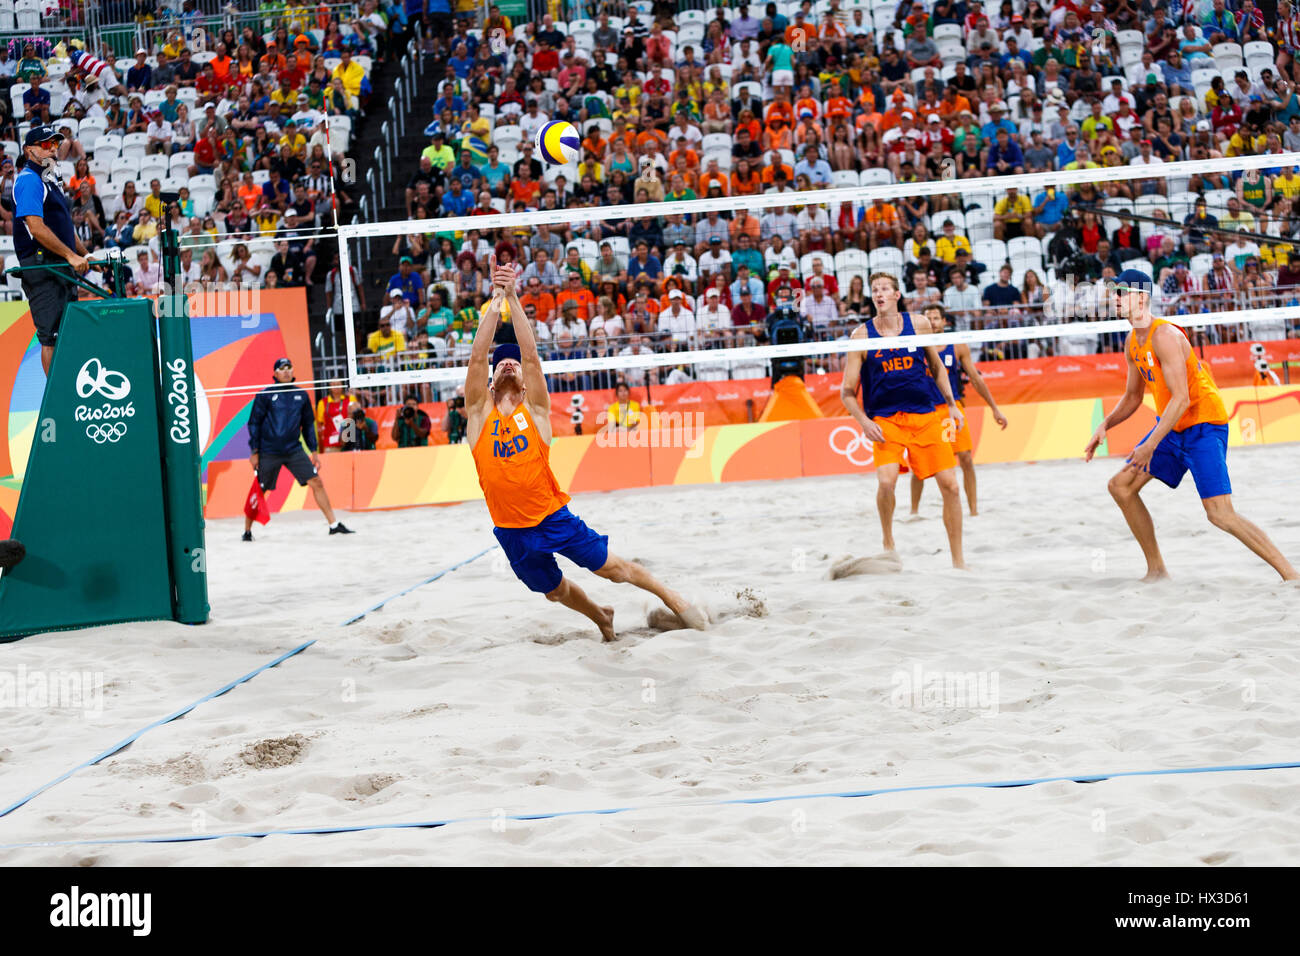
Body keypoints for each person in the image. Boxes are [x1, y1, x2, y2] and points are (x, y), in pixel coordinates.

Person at [466, 256, 707, 642]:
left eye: (513, 364)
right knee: (554, 591)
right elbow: (478, 356)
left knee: (615, 570)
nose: (508, 365)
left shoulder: (538, 413)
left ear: (526, 385)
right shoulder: (478, 416)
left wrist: (512, 296)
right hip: (511, 531)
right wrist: (496, 301)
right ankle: (601, 617)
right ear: (490, 382)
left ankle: (674, 599)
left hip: (551, 517)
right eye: (501, 364)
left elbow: (531, 356)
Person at [1085, 271, 1297, 581]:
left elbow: (1182, 399)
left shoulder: (1165, 336)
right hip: (1173, 427)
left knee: (1219, 514)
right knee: (1121, 487)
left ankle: (1291, 575)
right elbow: (1132, 396)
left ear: (1141, 297)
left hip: (1203, 425)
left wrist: (1150, 443)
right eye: (1113, 292)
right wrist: (1105, 424)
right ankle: (1156, 570)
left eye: (1121, 291)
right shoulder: (1132, 340)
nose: (1114, 297)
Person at [839, 273, 966, 568]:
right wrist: (863, 421)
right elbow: (846, 392)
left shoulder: (919, 324)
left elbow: (937, 367)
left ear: (897, 295)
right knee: (886, 482)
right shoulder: (861, 336)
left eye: (885, 289)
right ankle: (888, 542)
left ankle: (958, 561)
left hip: (924, 415)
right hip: (886, 420)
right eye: (875, 290)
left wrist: (951, 405)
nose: (879, 294)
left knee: (951, 486)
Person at [909, 305, 1009, 517]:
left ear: (944, 322)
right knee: (920, 463)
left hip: (950, 409)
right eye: (928, 318)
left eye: (936, 318)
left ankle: (973, 510)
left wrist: (994, 409)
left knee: (965, 458)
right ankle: (913, 511)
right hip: (923, 411)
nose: (932, 321)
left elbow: (976, 378)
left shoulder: (957, 346)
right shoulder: (913, 346)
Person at [244, 358, 354, 541]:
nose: (286, 371)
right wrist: (254, 451)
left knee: (316, 482)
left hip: (293, 450)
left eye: (289, 368)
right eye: (282, 368)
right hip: (269, 451)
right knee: (260, 490)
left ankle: (334, 525)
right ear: (275, 373)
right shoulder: (264, 395)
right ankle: (247, 531)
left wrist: (313, 450)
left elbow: (308, 426)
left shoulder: (301, 396)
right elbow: (254, 423)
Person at [13, 125, 89, 374]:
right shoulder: (28, 180)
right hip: (43, 265)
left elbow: (64, 227)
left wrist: (84, 254)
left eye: (55, 144)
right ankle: (57, 399)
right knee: (52, 336)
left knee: (66, 333)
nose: (53, 149)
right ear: (29, 150)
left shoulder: (49, 180)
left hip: (58, 264)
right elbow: (35, 227)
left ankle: (67, 390)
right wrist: (70, 254)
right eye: (46, 145)